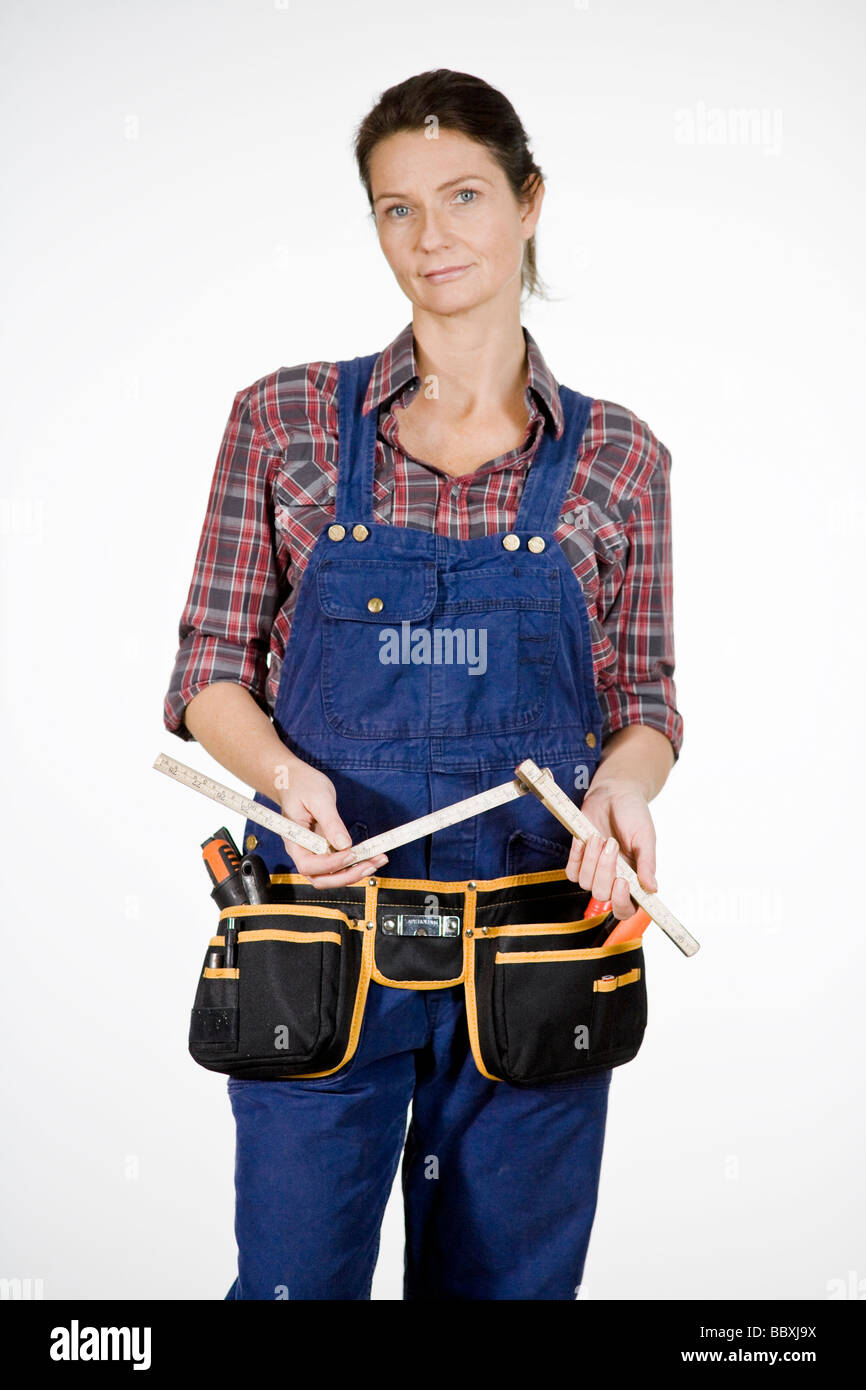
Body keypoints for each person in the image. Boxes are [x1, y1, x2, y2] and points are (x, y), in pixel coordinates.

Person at [163, 68, 683, 1301]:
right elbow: (205, 674)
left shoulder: (618, 458)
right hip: (318, 941)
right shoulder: (280, 420)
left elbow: (644, 702)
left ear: (528, 203)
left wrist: (623, 792)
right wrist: (284, 777)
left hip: (537, 948)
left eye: (460, 196)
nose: (429, 235)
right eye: (396, 208)